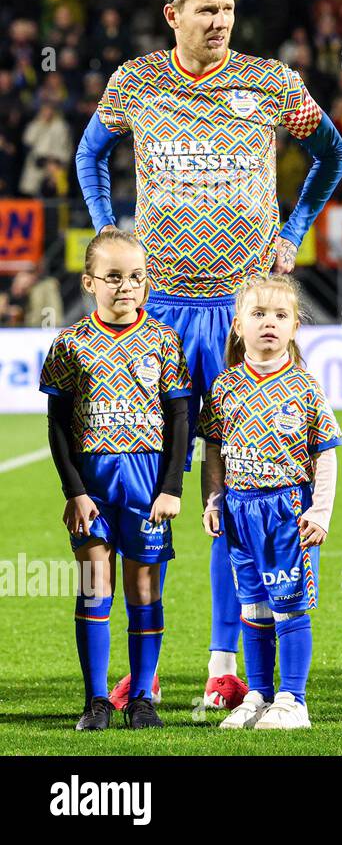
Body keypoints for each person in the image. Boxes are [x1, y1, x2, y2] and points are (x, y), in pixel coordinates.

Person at [74, 0, 342, 710]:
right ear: (173, 16)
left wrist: (294, 228)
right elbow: (90, 153)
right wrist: (110, 237)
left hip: (241, 314)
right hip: (158, 312)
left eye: (227, 9)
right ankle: (147, 667)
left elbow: (332, 152)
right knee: (146, 490)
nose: (221, 21)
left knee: (243, 485)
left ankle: (225, 665)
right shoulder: (135, 83)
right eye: (206, 10)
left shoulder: (271, 82)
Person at [40, 230, 191, 729]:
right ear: (89, 282)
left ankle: (142, 697)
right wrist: (75, 491)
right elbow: (57, 424)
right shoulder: (71, 344)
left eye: (136, 278)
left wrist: (172, 486)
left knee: (144, 591)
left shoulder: (165, 340)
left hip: (147, 484)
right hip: (94, 486)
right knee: (93, 587)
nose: (126, 287)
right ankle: (97, 700)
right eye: (114, 277)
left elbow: (180, 422)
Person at [198, 275, 342, 730]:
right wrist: (213, 501)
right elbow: (213, 452)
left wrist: (319, 512)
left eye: (280, 315)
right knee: (253, 607)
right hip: (241, 512)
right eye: (258, 314)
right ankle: (258, 694)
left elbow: (326, 453)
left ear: (295, 326)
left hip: (286, 513)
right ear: (238, 324)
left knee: (289, 604)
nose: (269, 324)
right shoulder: (224, 387)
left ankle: (293, 699)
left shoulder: (305, 385)